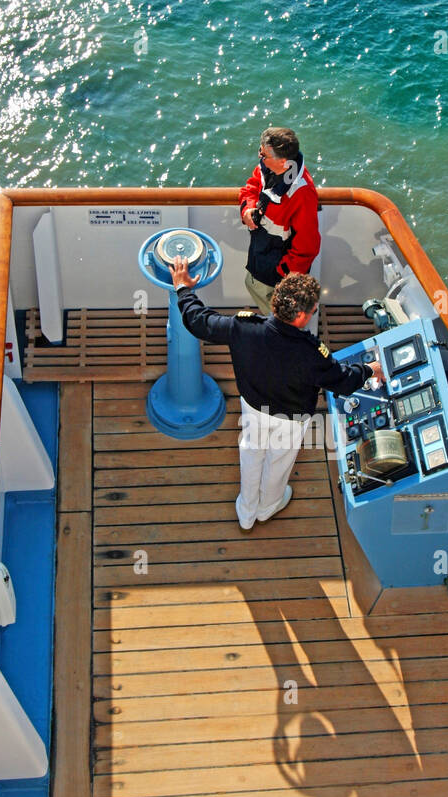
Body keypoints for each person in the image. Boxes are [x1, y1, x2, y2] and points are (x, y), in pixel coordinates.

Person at [170, 256, 381, 530]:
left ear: (274, 303)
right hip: (290, 419)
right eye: (314, 309)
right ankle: (268, 507)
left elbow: (199, 322)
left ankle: (246, 513)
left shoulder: (243, 328)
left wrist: (183, 289)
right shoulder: (312, 353)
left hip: (253, 408)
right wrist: (368, 369)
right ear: (304, 315)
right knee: (278, 463)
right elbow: (342, 381)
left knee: (251, 453)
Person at [238, 127, 320, 321]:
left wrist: (284, 273)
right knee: (253, 285)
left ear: (283, 162)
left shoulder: (302, 194)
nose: (259, 156)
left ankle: (284, 335)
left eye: (263, 154)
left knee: (283, 316)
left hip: (279, 268)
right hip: (263, 252)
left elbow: (308, 246)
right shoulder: (265, 168)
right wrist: (248, 209)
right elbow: (250, 188)